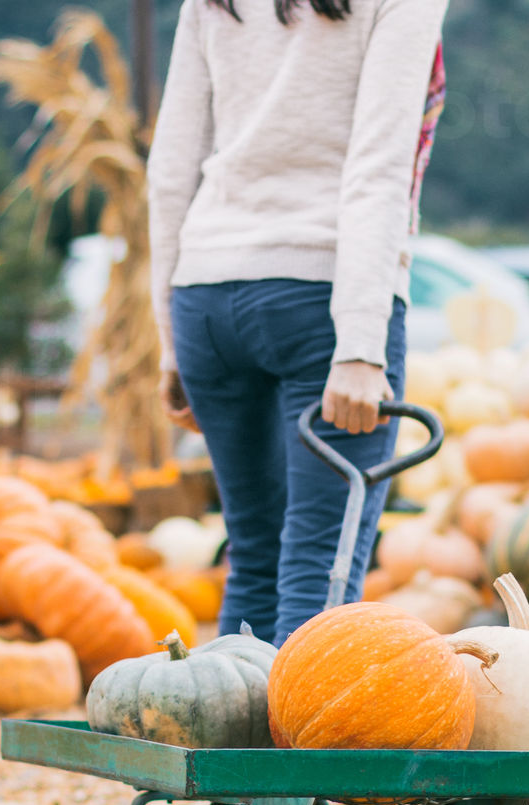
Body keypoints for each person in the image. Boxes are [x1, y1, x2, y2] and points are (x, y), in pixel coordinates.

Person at [149, 0, 449, 646]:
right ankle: (300, 746)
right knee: (321, 572)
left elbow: (171, 170)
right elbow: (378, 167)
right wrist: (363, 346)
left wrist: (171, 342)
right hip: (320, 300)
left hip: (205, 300)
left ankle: (233, 742)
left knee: (253, 557)